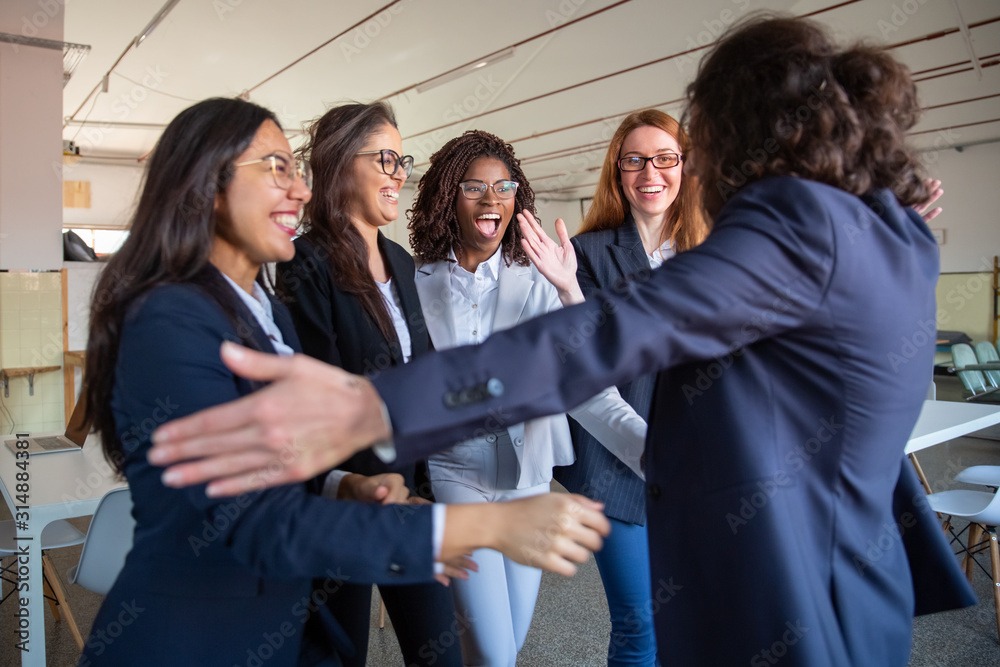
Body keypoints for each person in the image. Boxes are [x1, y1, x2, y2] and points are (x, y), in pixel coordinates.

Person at [149, 16, 975, 666]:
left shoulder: (797, 223)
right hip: (854, 581)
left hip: (789, 600)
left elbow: (602, 335)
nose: (692, 168)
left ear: (741, 131)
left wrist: (374, 406)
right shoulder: (892, 231)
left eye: (698, 142)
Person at [80, 96, 609, 666]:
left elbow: (279, 458)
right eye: (276, 168)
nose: (300, 190)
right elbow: (247, 519)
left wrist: (341, 484)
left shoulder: (261, 309)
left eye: (296, 170)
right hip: (200, 639)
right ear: (207, 184)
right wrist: (481, 525)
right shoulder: (170, 322)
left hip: (284, 609)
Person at [407, 129, 647, 666]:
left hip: (529, 479)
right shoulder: (416, 282)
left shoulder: (541, 281)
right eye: (474, 187)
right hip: (455, 473)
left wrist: (653, 449)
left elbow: (586, 385)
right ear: (447, 196)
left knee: (507, 645)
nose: (491, 199)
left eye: (504, 187)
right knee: (493, 656)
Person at [517, 109, 709, 666]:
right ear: (617, 172)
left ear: (685, 166)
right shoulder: (586, 255)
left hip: (699, 462)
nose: (650, 172)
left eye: (665, 158)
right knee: (639, 622)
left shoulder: (710, 252)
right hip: (613, 467)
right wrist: (567, 293)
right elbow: (583, 366)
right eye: (635, 160)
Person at [274, 102, 460, 667]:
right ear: (338, 163)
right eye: (385, 158)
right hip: (346, 501)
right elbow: (319, 398)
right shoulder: (305, 263)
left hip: (409, 497)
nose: (399, 173)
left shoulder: (401, 262)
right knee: (340, 654)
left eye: (402, 160)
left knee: (440, 653)